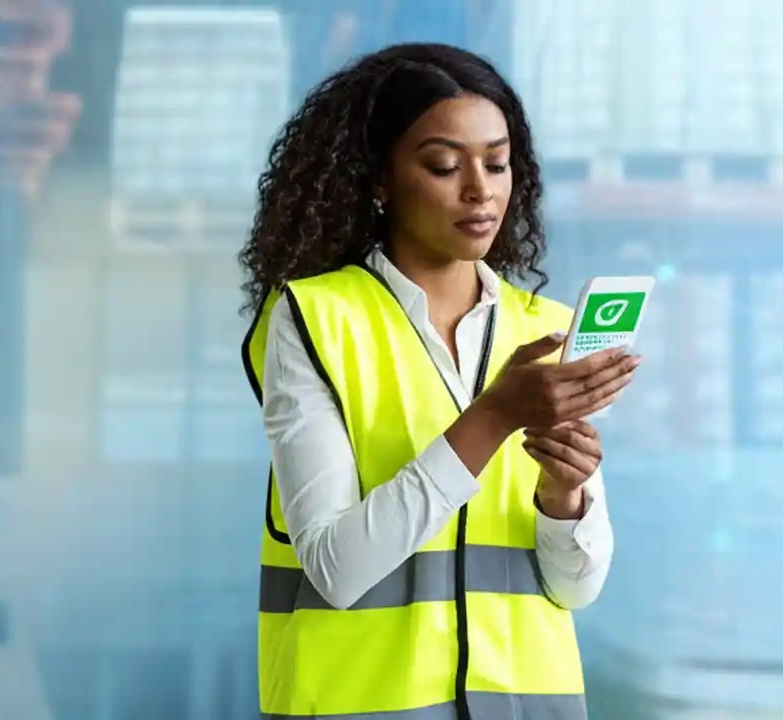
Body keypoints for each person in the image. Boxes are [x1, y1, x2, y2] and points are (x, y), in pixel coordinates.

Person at [239, 42, 641, 719]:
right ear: (379, 179)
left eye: (497, 162)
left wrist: (563, 497)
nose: (480, 190)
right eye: (445, 166)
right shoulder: (312, 319)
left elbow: (577, 590)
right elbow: (336, 569)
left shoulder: (544, 329)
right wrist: (494, 417)